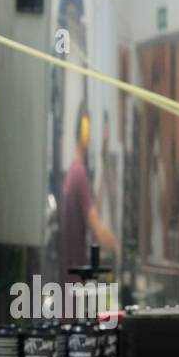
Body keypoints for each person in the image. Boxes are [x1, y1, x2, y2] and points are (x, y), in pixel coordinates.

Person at [59, 102, 117, 280]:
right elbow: (98, 233)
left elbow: (92, 212)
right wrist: (116, 245)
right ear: (85, 132)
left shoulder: (72, 172)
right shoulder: (79, 175)